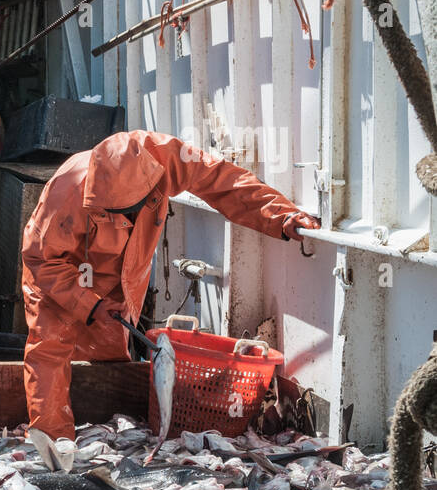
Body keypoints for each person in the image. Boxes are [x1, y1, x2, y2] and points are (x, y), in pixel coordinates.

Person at [20, 129, 320, 445]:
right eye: (117, 214)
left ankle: (108, 437)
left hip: (121, 273)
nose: (126, 219)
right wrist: (89, 303)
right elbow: (41, 261)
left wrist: (279, 215)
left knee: (107, 353)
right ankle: (52, 445)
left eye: (131, 211)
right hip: (59, 271)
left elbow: (223, 182)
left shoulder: (166, 158)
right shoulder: (65, 193)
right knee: (50, 347)